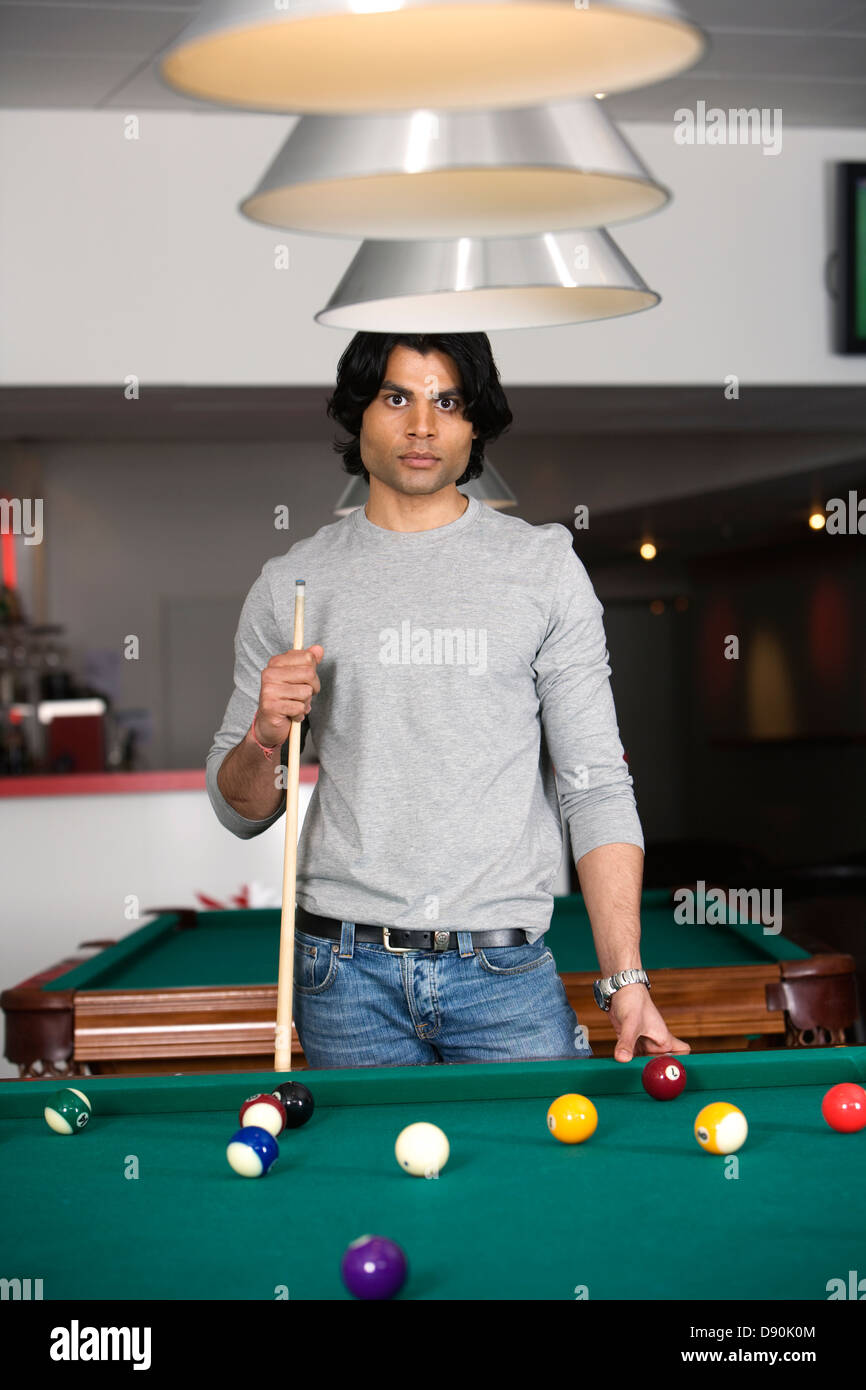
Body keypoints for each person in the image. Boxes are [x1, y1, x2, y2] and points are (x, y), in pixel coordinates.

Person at [207, 331, 688, 1069]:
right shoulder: (291, 584)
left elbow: (595, 786)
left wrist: (625, 977)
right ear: (358, 415)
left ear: (473, 425)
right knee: (364, 1187)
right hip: (340, 972)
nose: (423, 426)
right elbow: (238, 810)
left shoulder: (544, 570)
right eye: (397, 397)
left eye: (448, 402)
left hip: (505, 973)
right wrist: (266, 736)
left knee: (538, 1184)